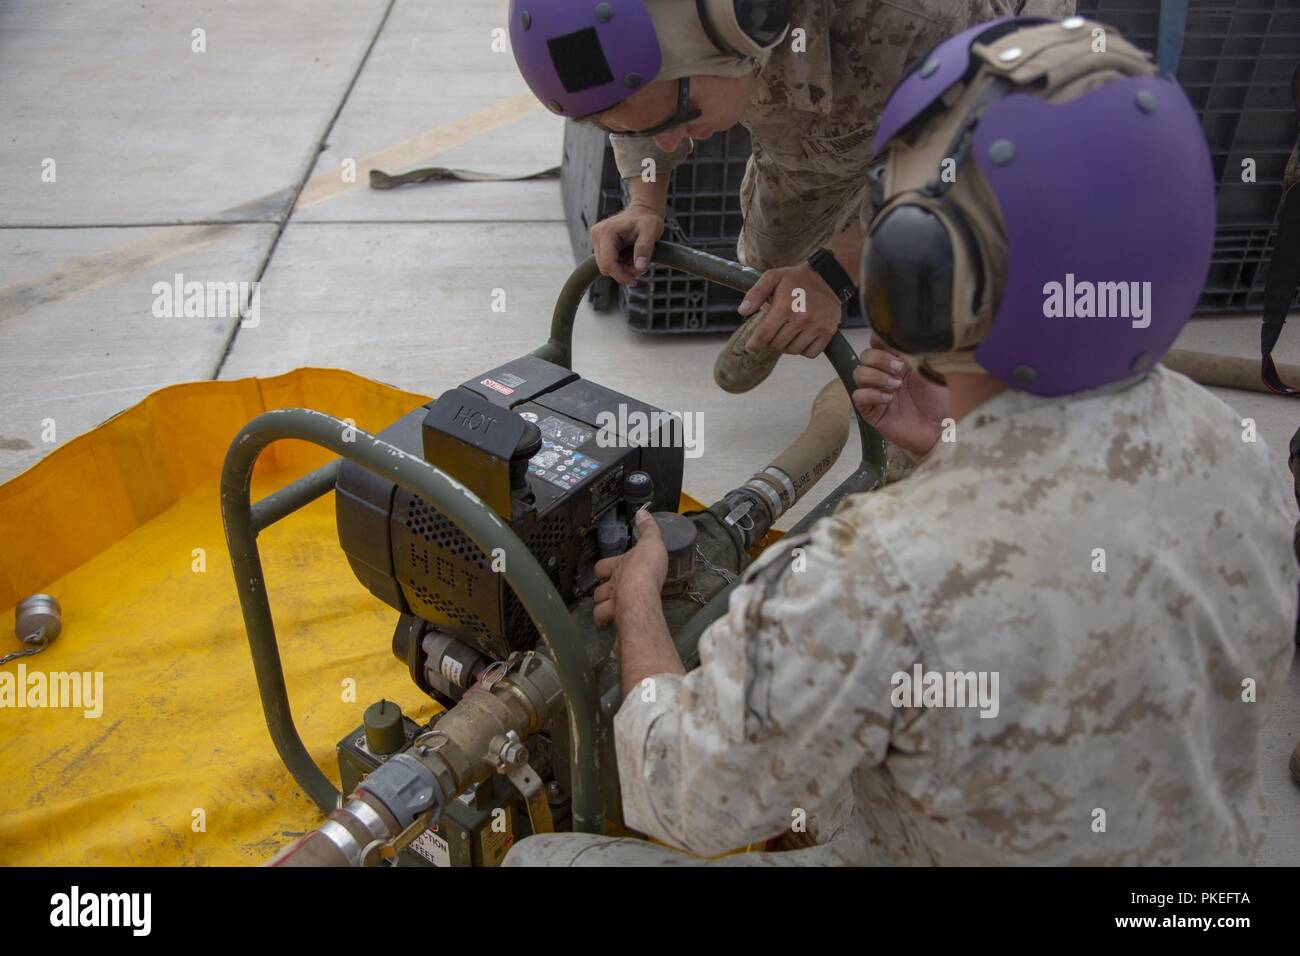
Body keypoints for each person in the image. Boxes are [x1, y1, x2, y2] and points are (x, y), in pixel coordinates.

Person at [503, 16, 1298, 866]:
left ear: (917, 261)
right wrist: (956, 438)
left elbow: (683, 798)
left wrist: (638, 607)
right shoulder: (1244, 457)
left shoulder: (864, 579)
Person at [509, 0, 1075, 404]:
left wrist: (834, 272)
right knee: (770, 253)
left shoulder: (921, 16)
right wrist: (645, 202)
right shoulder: (678, 34)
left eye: (680, 120)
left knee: (935, 304)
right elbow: (636, 106)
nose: (668, 141)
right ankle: (785, 313)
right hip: (818, 121)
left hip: (989, 107)